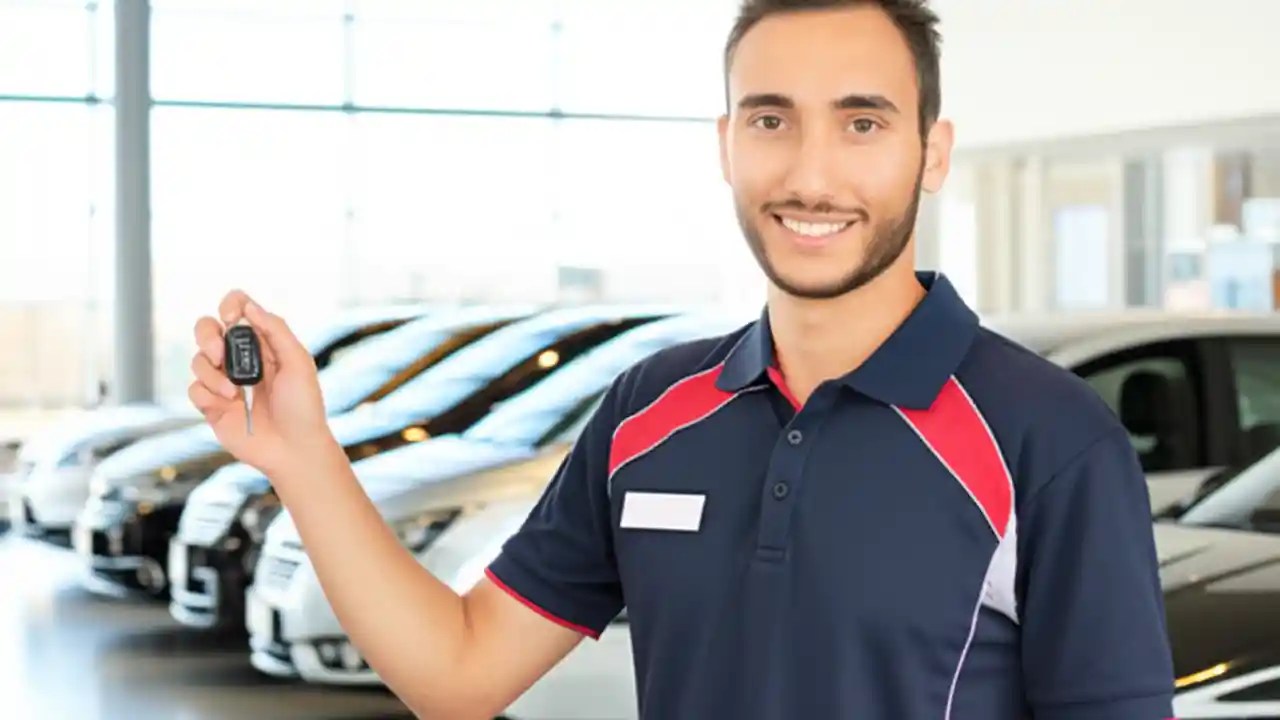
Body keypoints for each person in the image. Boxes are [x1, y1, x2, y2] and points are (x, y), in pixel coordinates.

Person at [189, 1, 1177, 717]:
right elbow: (458, 672)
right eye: (769, 118)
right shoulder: (647, 411)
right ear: (724, 143)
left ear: (931, 151)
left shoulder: (1048, 440)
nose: (809, 172)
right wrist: (302, 457)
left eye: (862, 121)